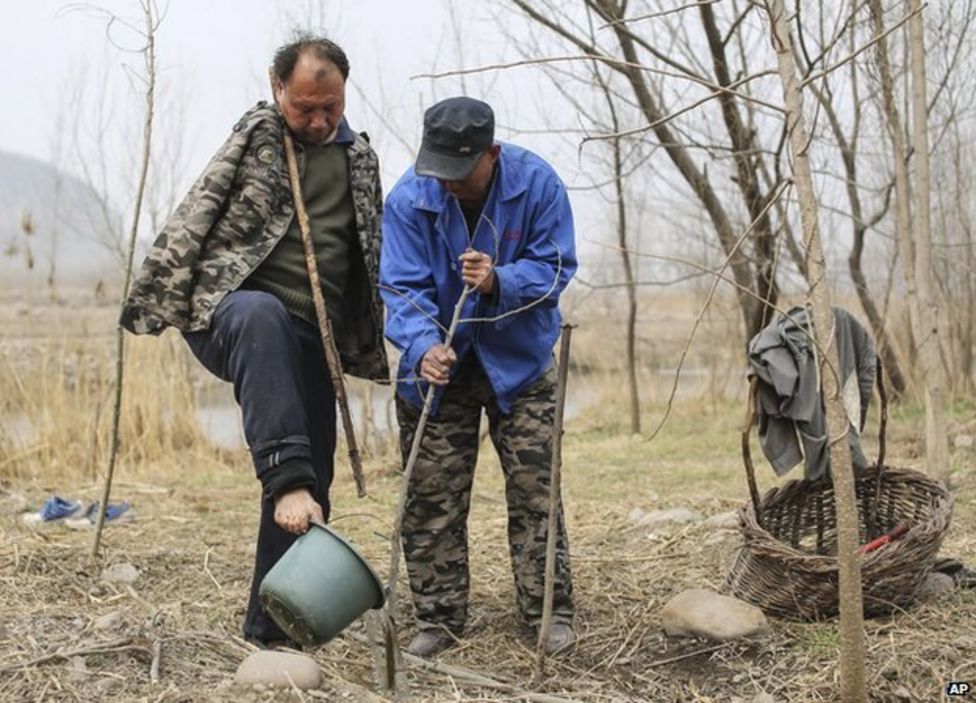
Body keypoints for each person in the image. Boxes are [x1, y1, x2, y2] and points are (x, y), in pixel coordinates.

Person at [121, 35, 388, 646]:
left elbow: (371, 253)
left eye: (331, 107)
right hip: (233, 315)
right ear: (278, 91)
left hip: (311, 335)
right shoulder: (261, 136)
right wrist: (161, 292)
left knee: (314, 477)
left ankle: (273, 629)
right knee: (264, 316)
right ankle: (285, 476)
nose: (319, 120)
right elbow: (200, 208)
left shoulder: (361, 162)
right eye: (305, 108)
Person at [380, 96, 578, 658]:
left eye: (460, 173)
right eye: (438, 171)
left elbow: (557, 267)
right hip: (438, 371)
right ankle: (439, 617)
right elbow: (399, 287)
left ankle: (548, 611)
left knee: (536, 490)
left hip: (520, 362)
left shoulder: (538, 184)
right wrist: (422, 347)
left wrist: (499, 281)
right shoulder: (408, 199)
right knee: (431, 494)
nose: (448, 184)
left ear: (491, 153)